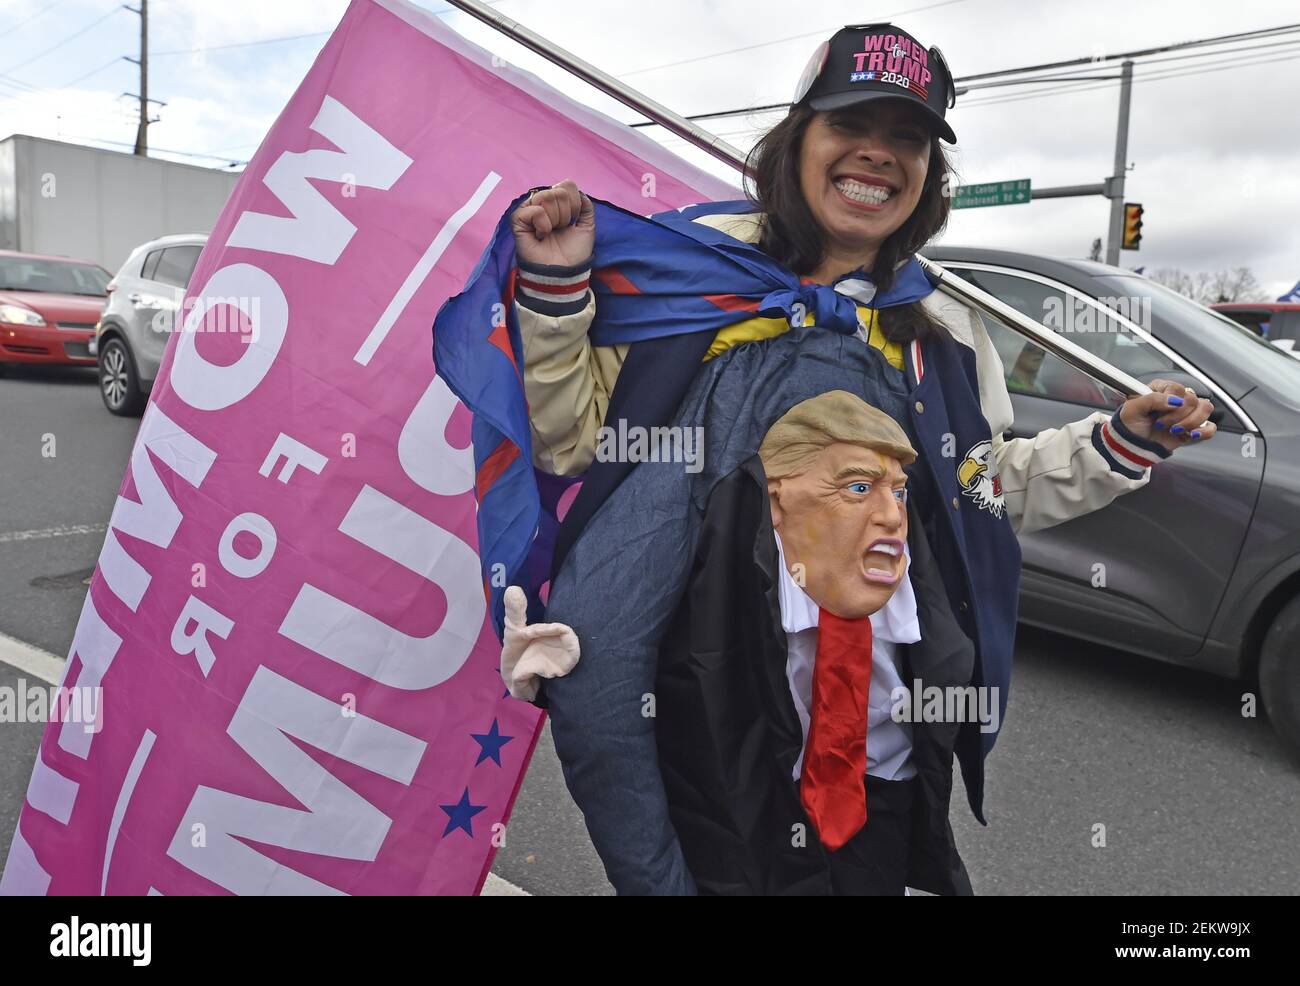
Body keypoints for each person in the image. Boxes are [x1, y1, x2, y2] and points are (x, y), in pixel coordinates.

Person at [498, 22, 1218, 893]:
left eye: (906, 138)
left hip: (880, 752)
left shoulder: (945, 331)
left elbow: (977, 493)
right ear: (796, 140)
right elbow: (573, 442)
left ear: (928, 174)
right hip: (714, 738)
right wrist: (556, 289)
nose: (877, 155)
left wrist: (1119, 443)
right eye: (850, 126)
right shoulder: (685, 276)